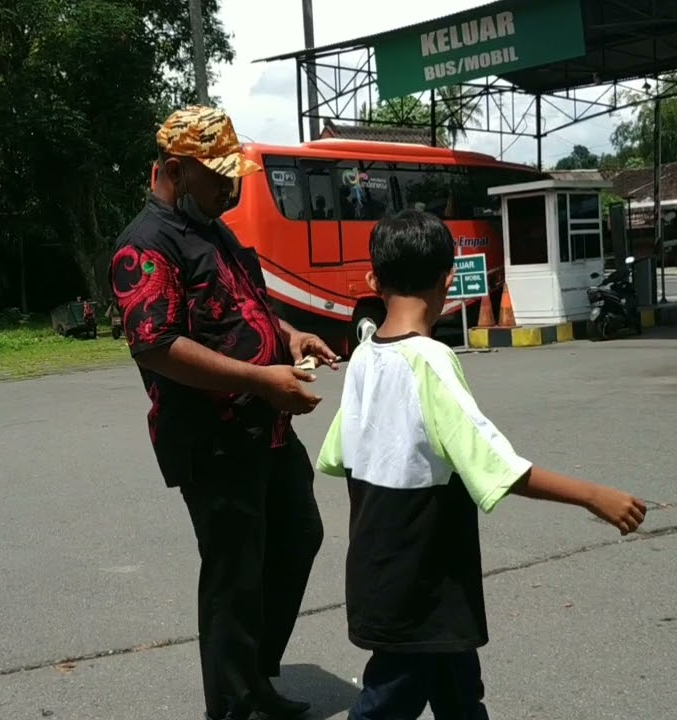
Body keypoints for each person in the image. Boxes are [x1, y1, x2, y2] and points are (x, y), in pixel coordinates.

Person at [314, 210, 647, 720]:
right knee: (388, 700)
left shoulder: (364, 357)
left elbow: (342, 455)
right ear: (448, 279)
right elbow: (496, 465)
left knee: (459, 694)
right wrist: (593, 496)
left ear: (374, 281)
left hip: (383, 566)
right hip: (423, 579)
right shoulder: (430, 361)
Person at [109, 105, 339, 720]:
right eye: (218, 178)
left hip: (265, 428)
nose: (230, 190)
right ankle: (235, 704)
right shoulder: (146, 244)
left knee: (298, 537)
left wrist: (290, 335)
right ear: (175, 171)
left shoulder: (212, 228)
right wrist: (262, 379)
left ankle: (253, 677)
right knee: (233, 573)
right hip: (214, 439)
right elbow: (157, 345)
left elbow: (246, 303)